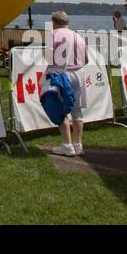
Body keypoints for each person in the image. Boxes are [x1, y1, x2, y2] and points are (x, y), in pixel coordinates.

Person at [48, 10, 88, 156]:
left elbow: (48, 58)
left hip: (61, 73)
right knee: (77, 111)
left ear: (54, 22)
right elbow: (86, 58)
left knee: (60, 108)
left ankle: (67, 144)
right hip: (78, 72)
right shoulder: (78, 36)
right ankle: (78, 144)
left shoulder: (53, 35)